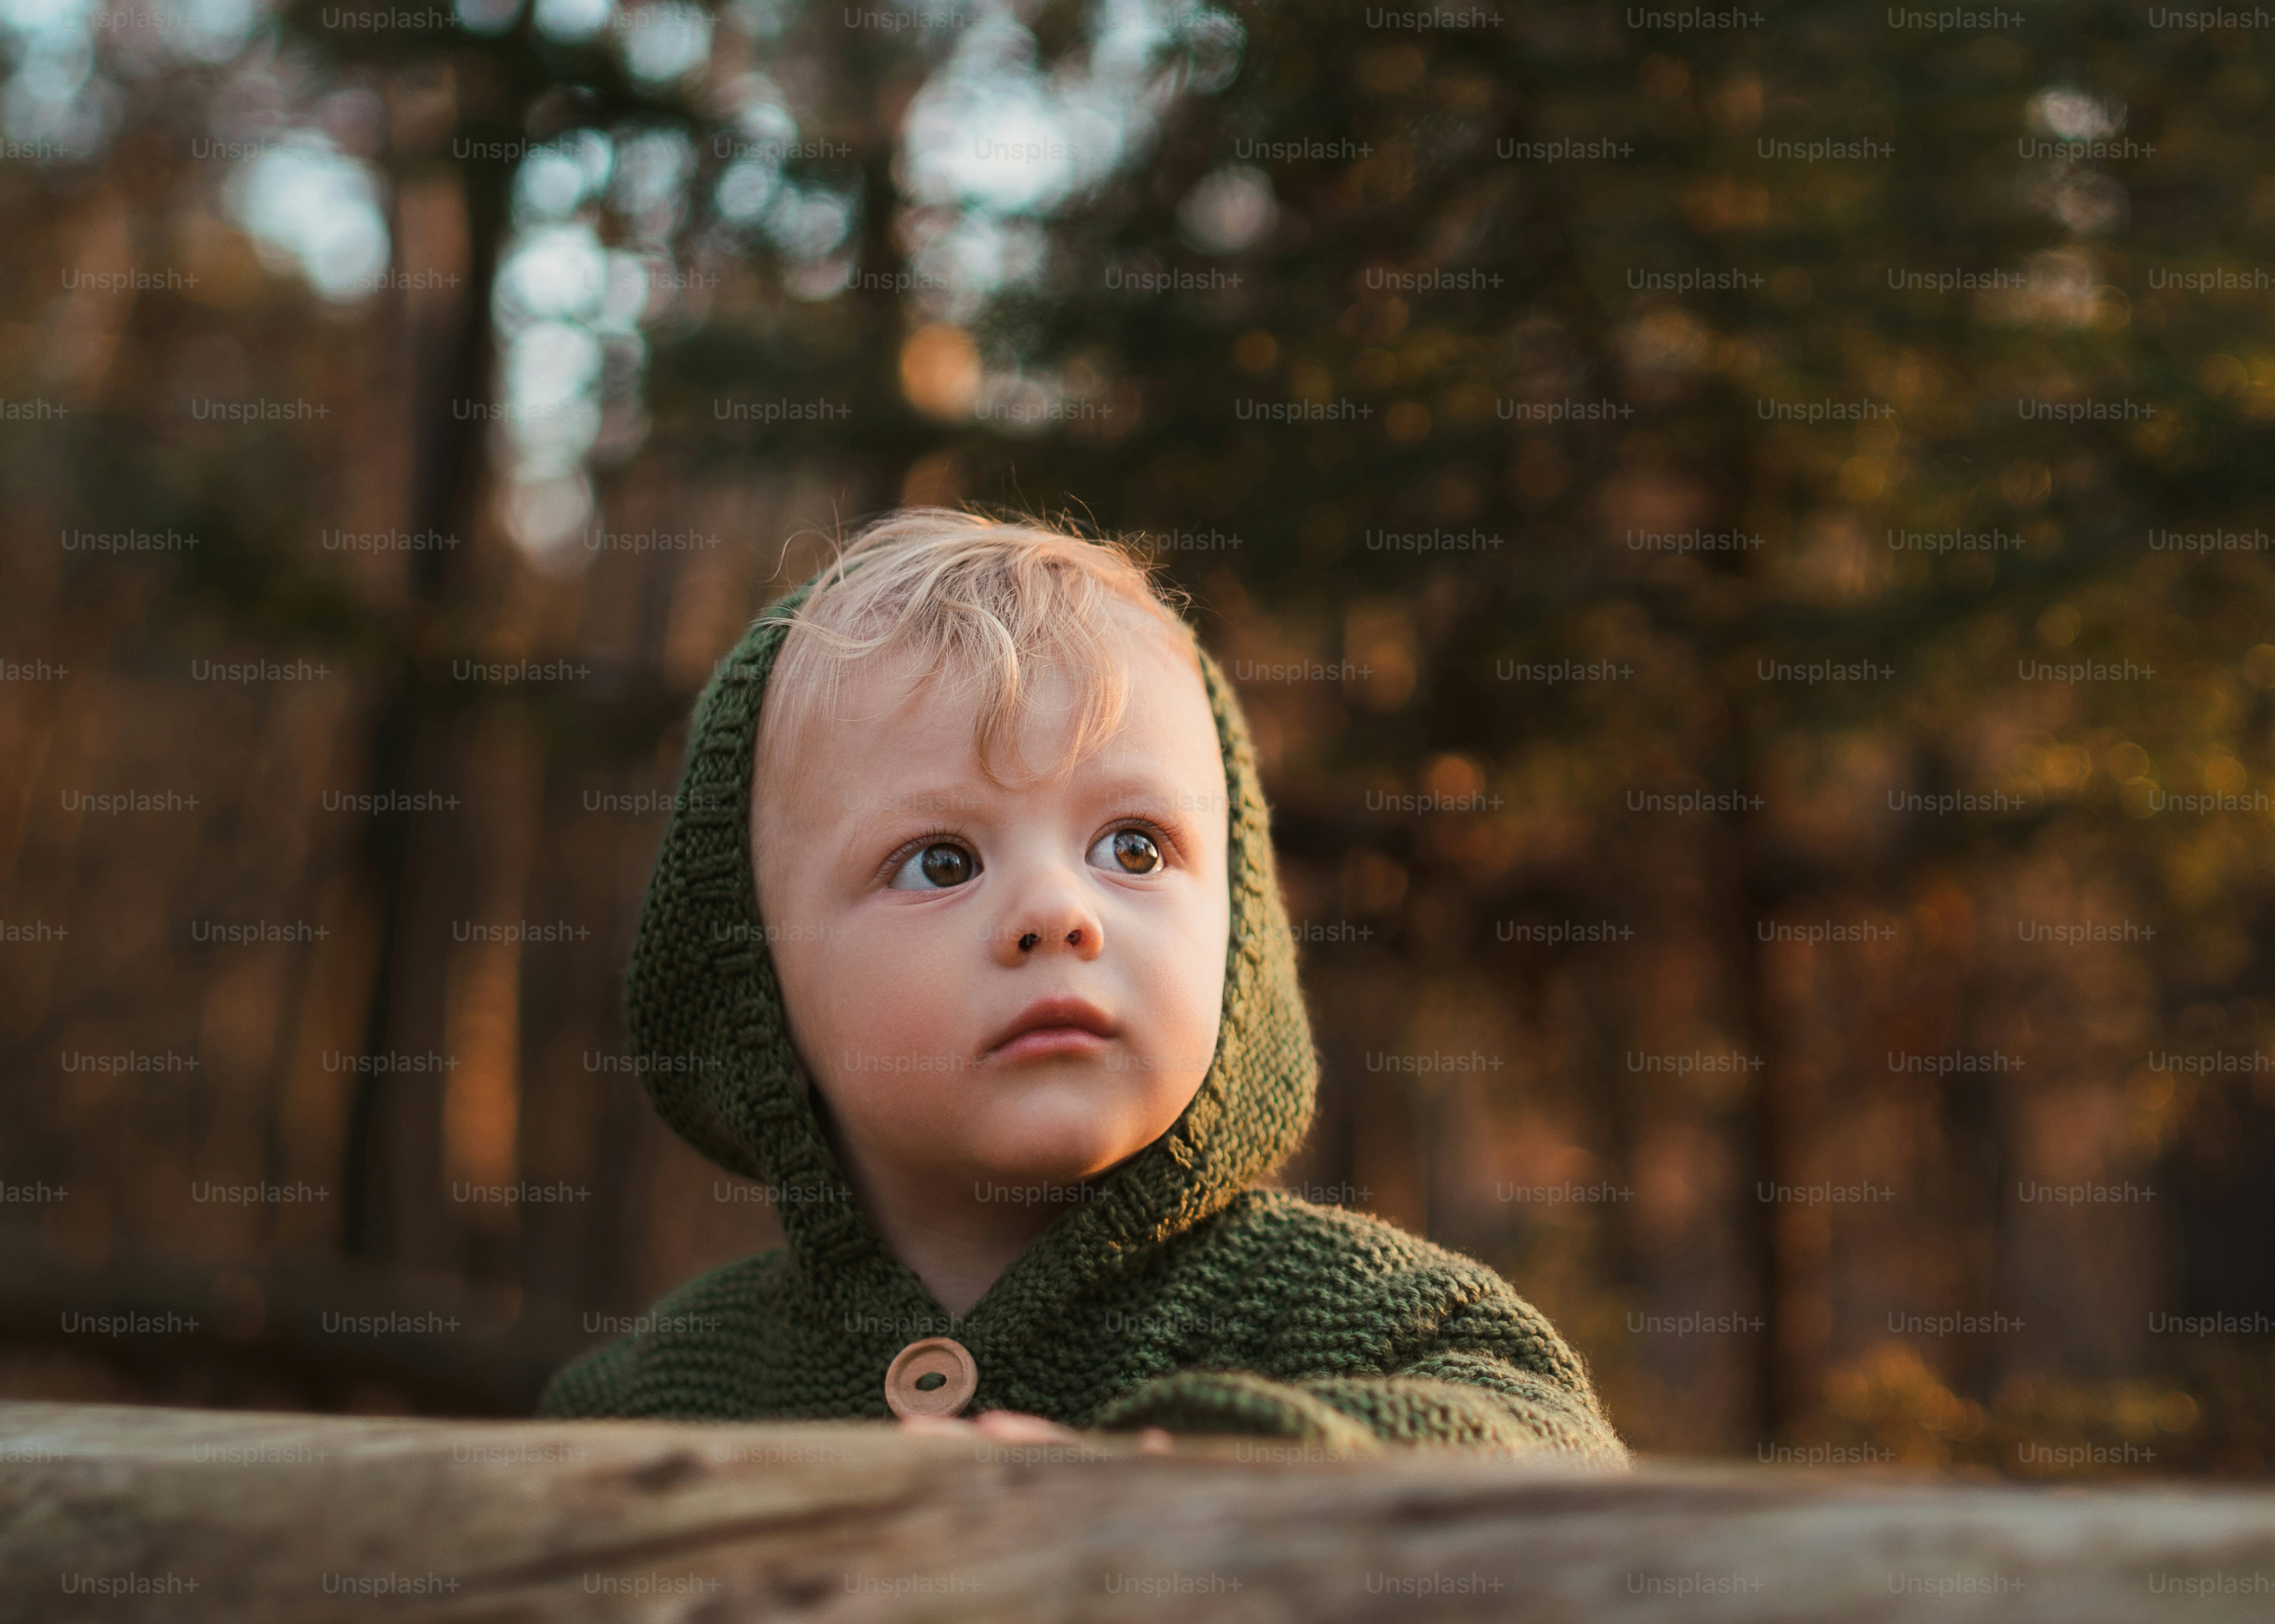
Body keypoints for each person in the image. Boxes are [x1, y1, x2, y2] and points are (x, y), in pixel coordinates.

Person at [536, 506, 1626, 1466]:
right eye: (941, 861)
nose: (1059, 911)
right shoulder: (661, 1392)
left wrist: (1255, 1473)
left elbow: (1557, 1457)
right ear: (758, 978)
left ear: (1241, 925)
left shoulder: (1361, 1318)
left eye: (1135, 848)